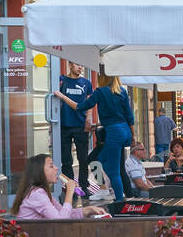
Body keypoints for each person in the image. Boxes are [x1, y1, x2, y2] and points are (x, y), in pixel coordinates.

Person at [66, 69, 134, 201]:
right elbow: (129, 116)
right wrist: (133, 135)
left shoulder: (100, 92)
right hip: (124, 131)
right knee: (101, 160)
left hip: (114, 133)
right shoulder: (122, 91)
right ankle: (109, 190)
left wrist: (62, 96)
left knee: (112, 169)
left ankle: (119, 200)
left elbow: (80, 107)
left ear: (102, 78)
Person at [13, 153, 106, 219]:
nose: (56, 168)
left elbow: (64, 213)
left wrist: (88, 210)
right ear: (40, 172)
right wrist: (69, 192)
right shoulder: (37, 194)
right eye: (51, 166)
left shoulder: (41, 192)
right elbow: (61, 221)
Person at [53, 62, 93, 189]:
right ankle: (69, 187)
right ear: (70, 65)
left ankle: (84, 185)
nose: (81, 67)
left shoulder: (86, 82)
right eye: (78, 65)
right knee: (66, 160)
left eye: (82, 65)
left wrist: (89, 118)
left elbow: (90, 102)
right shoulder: (61, 80)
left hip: (81, 125)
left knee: (83, 159)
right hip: (64, 125)